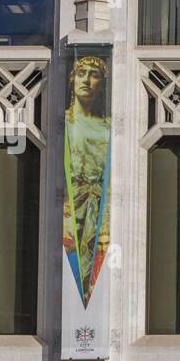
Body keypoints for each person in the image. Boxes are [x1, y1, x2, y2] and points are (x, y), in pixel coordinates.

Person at [63, 54, 112, 307]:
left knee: (98, 250)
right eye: (81, 73)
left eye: (94, 75)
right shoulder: (68, 121)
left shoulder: (107, 125)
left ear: (102, 84)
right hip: (74, 203)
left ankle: (89, 295)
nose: (87, 79)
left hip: (99, 203)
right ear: (72, 80)